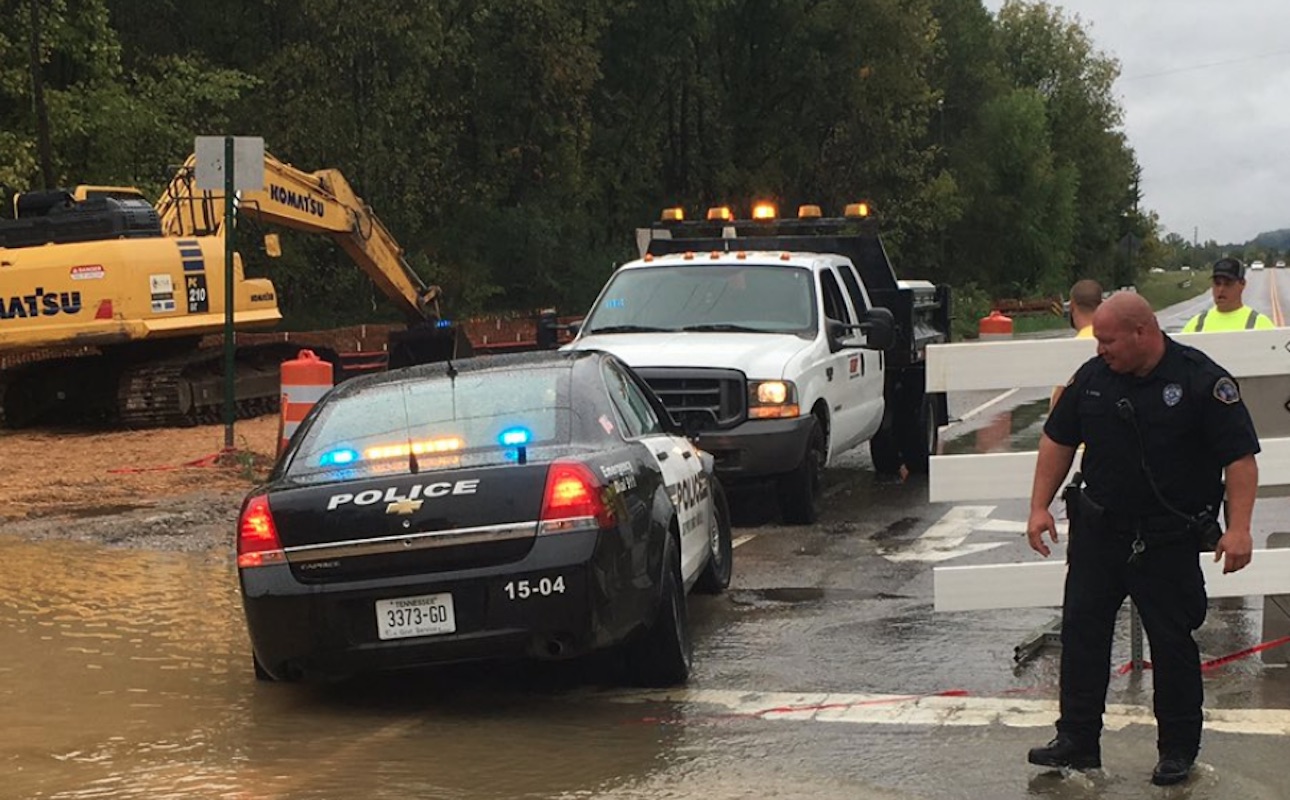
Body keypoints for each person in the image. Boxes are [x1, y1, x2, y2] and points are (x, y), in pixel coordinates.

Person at [1025, 292, 1259, 786]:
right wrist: (1038, 506)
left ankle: (1177, 750)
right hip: (1100, 533)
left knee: (1172, 645)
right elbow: (1058, 439)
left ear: (1142, 333)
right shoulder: (1093, 379)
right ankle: (1076, 741)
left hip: (1166, 540)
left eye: (1108, 341)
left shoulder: (1200, 380)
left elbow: (1239, 459)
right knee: (1083, 638)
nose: (1100, 350)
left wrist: (1239, 529)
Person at [1180, 257, 1274, 332]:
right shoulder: (1195, 326)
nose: (1221, 289)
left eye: (1228, 284)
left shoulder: (1260, 325)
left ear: (1242, 284)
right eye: (1217, 283)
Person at [1050, 279, 1103, 410]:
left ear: (1072, 305)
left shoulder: (1070, 350)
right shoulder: (1114, 342)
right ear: (1102, 305)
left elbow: (1058, 404)